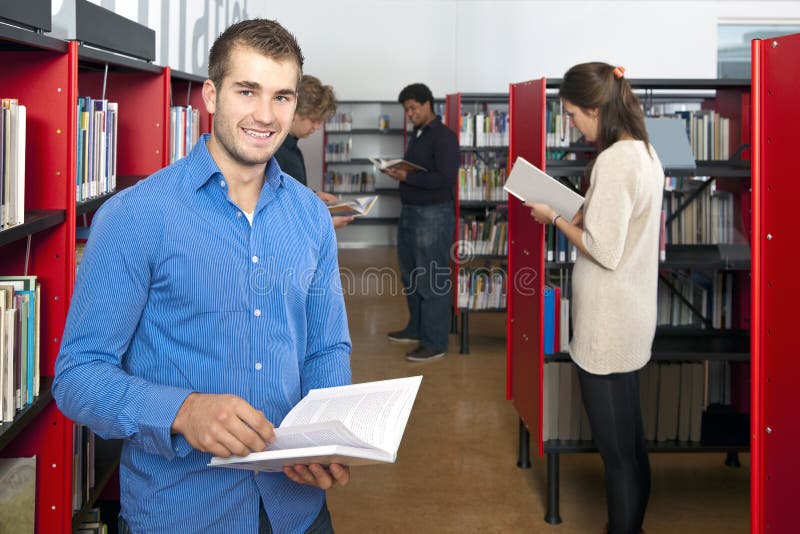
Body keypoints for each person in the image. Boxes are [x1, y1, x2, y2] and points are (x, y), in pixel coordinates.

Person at [53, 19, 352, 534]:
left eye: (282, 97)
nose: (265, 115)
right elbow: (79, 377)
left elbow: (327, 349)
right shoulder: (135, 216)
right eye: (247, 91)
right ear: (211, 96)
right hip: (182, 512)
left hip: (296, 508)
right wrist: (182, 411)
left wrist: (324, 436)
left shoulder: (310, 217)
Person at [525, 63, 664, 534]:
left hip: (607, 326)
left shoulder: (615, 161)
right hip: (633, 316)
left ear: (595, 108)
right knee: (631, 442)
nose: (572, 125)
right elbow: (615, 223)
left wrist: (553, 217)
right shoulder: (644, 151)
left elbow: (604, 249)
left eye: (573, 115)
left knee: (616, 453)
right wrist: (574, 207)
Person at [383, 83, 458, 362]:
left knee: (432, 278)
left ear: (429, 104)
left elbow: (446, 178)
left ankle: (435, 342)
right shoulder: (418, 134)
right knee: (411, 276)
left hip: (434, 215)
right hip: (412, 212)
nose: (410, 114)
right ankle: (416, 329)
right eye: (407, 110)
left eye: (414, 108)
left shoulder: (444, 137)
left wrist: (408, 178)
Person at [274, 74, 354, 228]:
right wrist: (325, 224)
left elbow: (288, 192)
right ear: (294, 113)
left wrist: (314, 195)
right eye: (313, 120)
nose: (317, 127)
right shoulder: (272, 152)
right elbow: (280, 216)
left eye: (320, 121)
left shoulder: (292, 148)